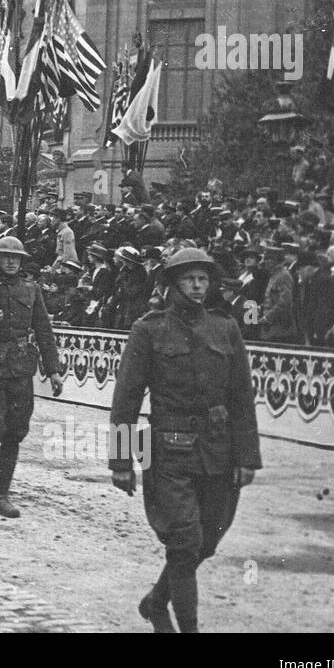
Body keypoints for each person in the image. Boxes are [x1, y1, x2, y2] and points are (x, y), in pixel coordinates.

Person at [109, 247, 260, 633]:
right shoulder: (149, 329)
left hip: (219, 450)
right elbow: (126, 398)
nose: (198, 285)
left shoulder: (225, 328)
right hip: (167, 449)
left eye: (204, 279)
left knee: (206, 543)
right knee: (183, 544)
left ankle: (156, 602)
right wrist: (122, 462)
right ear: (173, 284)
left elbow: (242, 395)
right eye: (190, 278)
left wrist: (247, 456)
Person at [0, 236, 63, 518]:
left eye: (15, 258)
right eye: (5, 257)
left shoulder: (31, 290)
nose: (10, 262)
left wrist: (53, 370)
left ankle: (2, 496)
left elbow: (43, 331)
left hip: (20, 368)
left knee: (15, 432)